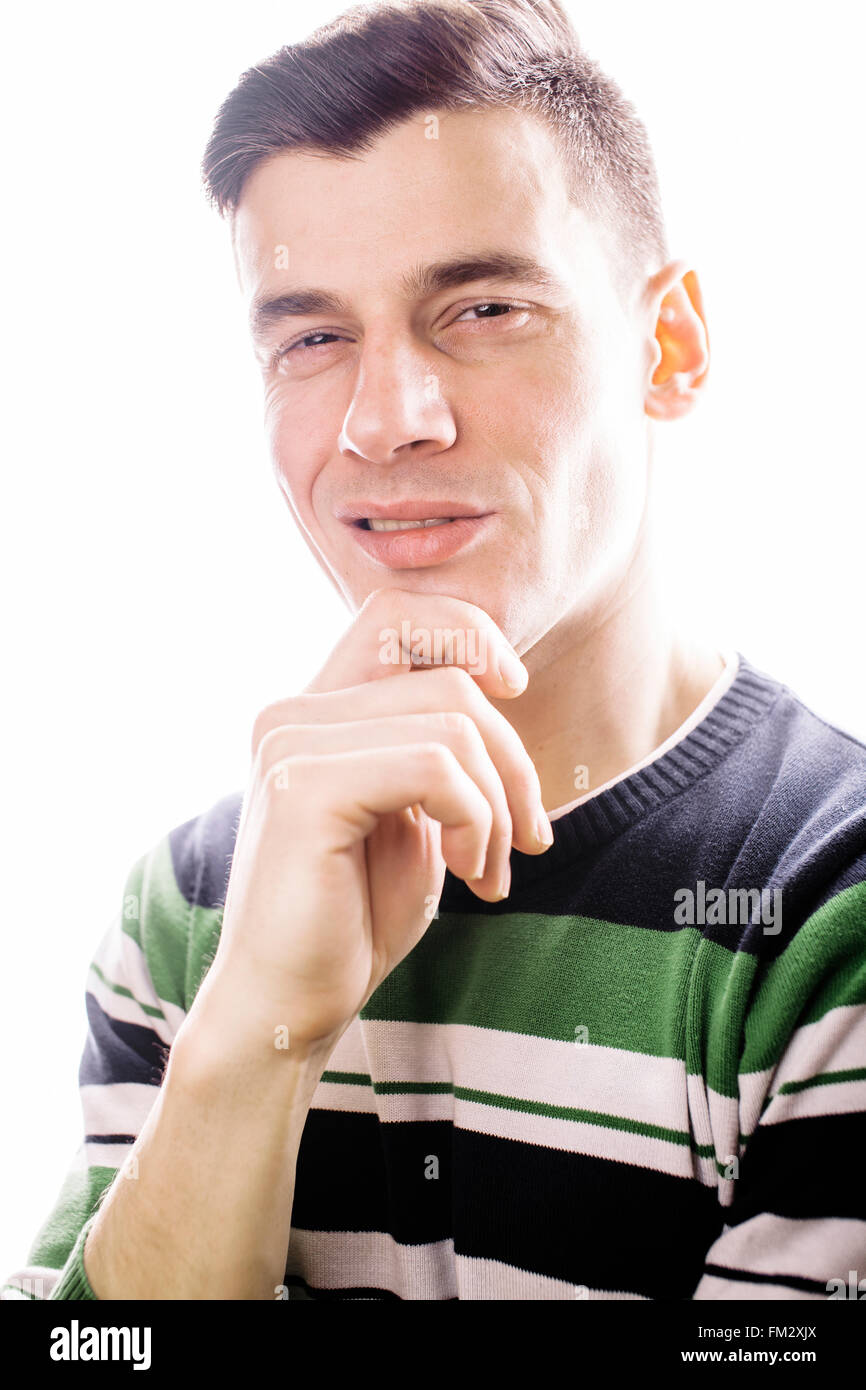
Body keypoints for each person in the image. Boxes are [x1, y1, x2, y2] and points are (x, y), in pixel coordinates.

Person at [4, 0, 865, 1302]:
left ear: (668, 345)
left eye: (482, 307)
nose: (385, 418)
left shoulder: (830, 914)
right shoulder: (187, 911)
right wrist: (249, 1039)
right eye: (311, 336)